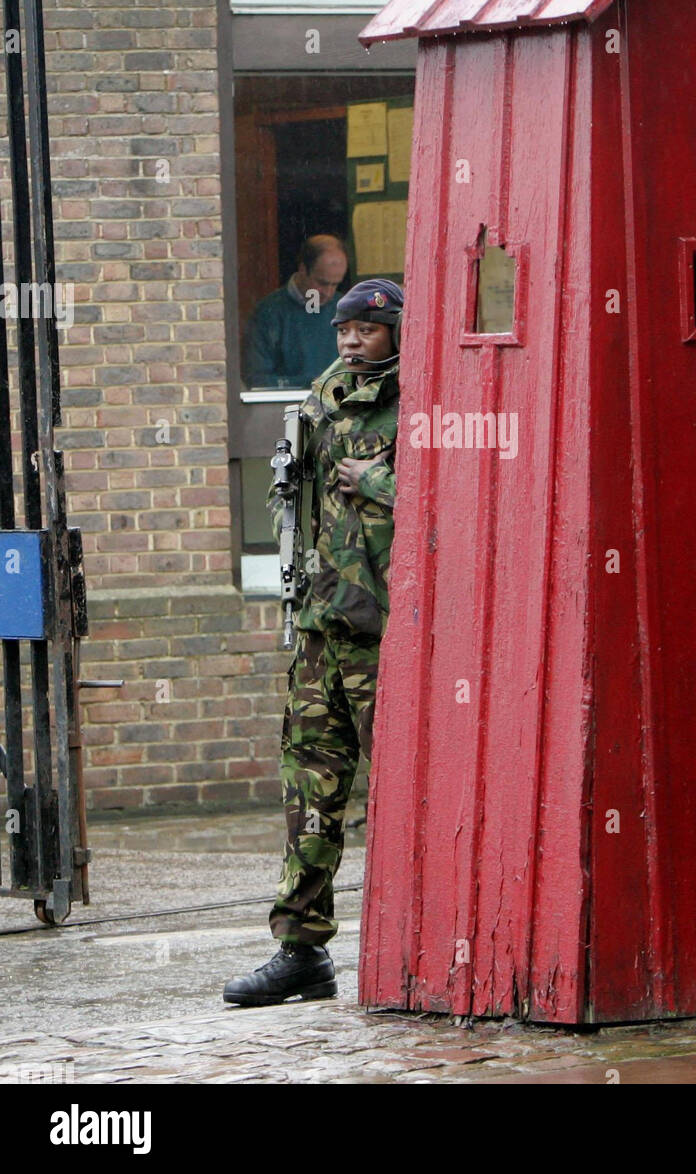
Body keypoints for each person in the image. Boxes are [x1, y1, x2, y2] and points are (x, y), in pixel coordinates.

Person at [223, 277, 404, 1006]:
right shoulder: (322, 397)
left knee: (398, 793)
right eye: (342, 331)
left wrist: (384, 479)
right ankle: (299, 950)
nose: (352, 341)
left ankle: (415, 943)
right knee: (308, 788)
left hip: (388, 630)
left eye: (367, 330)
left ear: (397, 332)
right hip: (321, 626)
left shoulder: (426, 401)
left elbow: (473, 489)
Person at [242, 234, 349, 389]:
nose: (329, 292)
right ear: (303, 269)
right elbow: (256, 379)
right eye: (322, 283)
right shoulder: (269, 312)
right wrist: (309, 384)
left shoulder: (345, 309)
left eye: (335, 284)